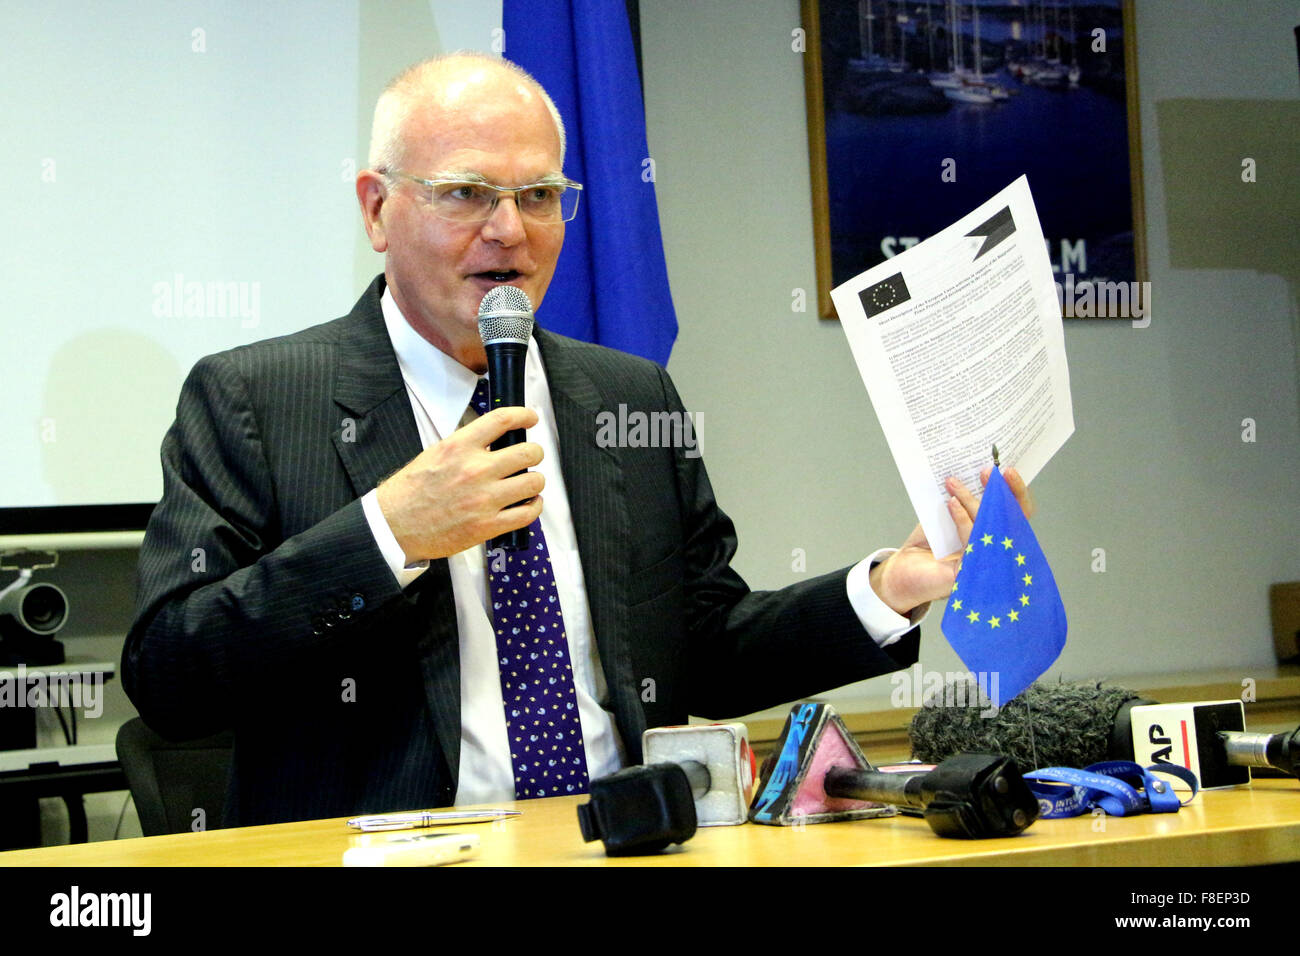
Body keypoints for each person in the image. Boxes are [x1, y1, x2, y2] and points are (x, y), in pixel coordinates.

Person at [122, 53, 1032, 826]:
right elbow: (170, 677)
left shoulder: (627, 397)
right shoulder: (252, 397)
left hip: (621, 841)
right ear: (375, 210)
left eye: (539, 195)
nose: (510, 231)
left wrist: (885, 590)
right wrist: (389, 534)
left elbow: (704, 647)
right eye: (466, 194)